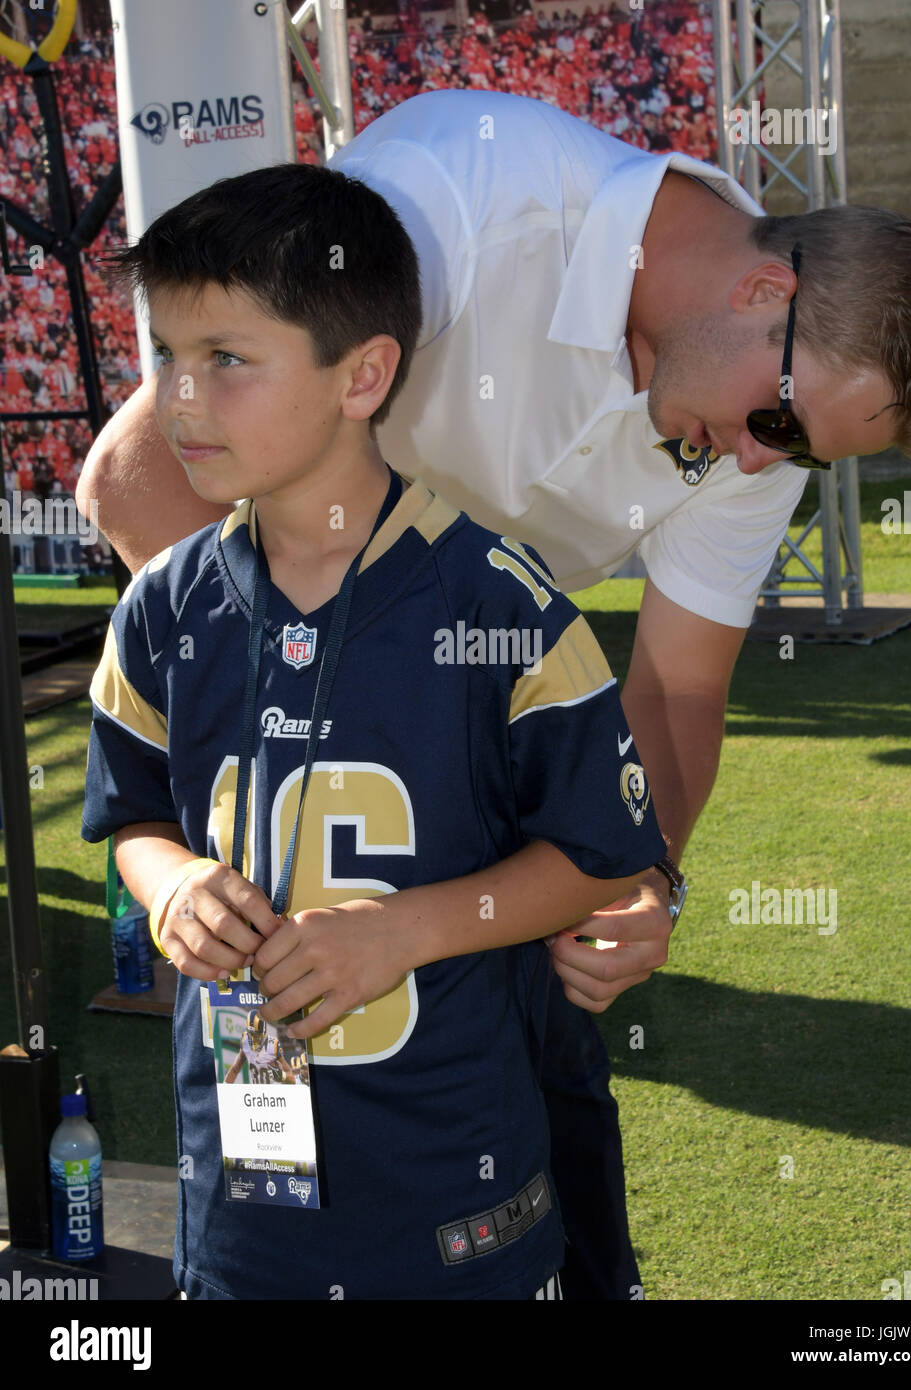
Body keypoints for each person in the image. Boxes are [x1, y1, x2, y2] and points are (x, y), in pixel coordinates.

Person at [77, 90, 911, 1299]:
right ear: (764, 295)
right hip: (328, 860)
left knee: (558, 1220)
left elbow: (677, 688)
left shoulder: (757, 423)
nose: (764, 460)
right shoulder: (469, 190)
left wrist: (639, 881)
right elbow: (135, 484)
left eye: (802, 451)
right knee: (275, 1226)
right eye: (779, 422)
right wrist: (280, 768)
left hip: (503, 846)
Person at [80, 162, 670, 1300]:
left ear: (365, 375)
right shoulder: (165, 602)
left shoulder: (502, 603)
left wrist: (402, 932)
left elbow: (598, 856)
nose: (180, 400)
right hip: (244, 1206)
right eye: (166, 357)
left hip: (455, 1200)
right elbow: (135, 817)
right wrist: (168, 887)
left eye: (227, 360)